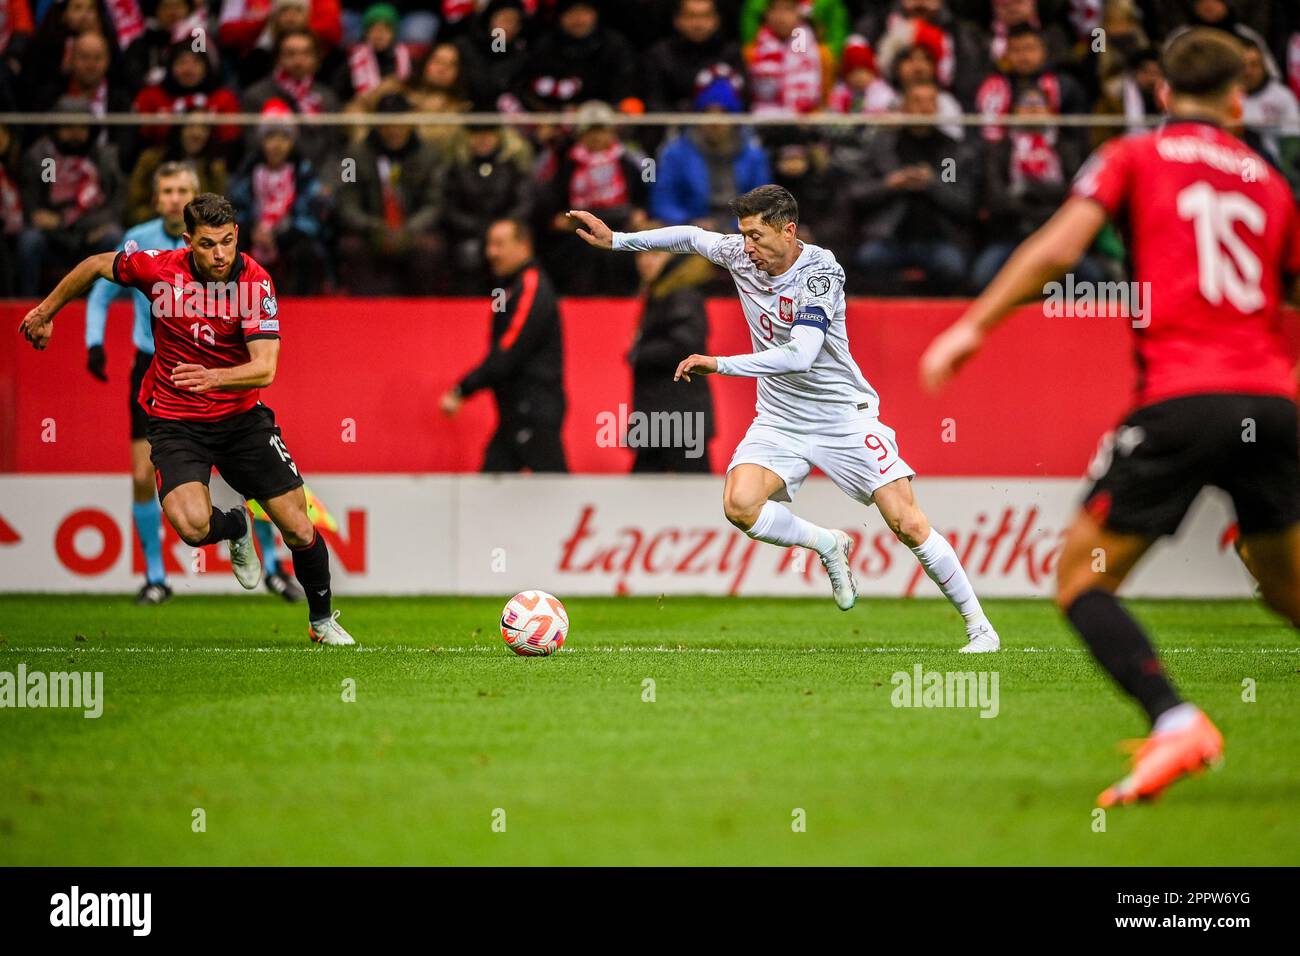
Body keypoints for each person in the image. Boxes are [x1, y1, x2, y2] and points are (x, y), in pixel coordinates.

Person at [919, 28, 1300, 805]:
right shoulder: (1271, 180)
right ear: (1238, 101)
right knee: (1290, 593)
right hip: (1273, 401)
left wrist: (974, 325)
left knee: (1080, 580)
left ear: (1162, 94)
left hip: (1182, 403)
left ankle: (1175, 719)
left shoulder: (1135, 156)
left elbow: (1061, 250)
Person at [571, 186, 1000, 651]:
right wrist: (617, 240)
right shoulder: (739, 254)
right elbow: (693, 239)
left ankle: (979, 626)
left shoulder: (820, 273)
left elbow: (800, 354)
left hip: (843, 419)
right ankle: (827, 543)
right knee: (740, 506)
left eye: (755, 236)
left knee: (907, 523)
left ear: (787, 230)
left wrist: (720, 364)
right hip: (780, 419)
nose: (746, 246)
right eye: (743, 235)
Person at [19, 193, 355, 645]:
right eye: (207, 244)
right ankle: (236, 525)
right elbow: (97, 264)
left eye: (226, 242)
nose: (219, 254)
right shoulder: (157, 269)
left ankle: (321, 622)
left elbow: (266, 368)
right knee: (192, 526)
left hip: (241, 421)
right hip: (177, 422)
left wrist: (213, 377)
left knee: (297, 526)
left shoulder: (255, 284)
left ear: (237, 236)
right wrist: (45, 312)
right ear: (187, 242)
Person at [83, 161, 196, 605]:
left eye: (182, 189)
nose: (174, 197)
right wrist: (95, 342)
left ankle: (269, 563)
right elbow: (101, 290)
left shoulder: (212, 244)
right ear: (155, 199)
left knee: (236, 468)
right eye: (167, 190)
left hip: (204, 367)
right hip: (151, 368)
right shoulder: (137, 240)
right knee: (141, 472)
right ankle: (156, 576)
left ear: (196, 195)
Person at [440, 219, 567, 473]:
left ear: (523, 246)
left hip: (532, 410)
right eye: (489, 245)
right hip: (515, 412)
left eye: (499, 245)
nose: (491, 253)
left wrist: (463, 388)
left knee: (555, 489)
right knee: (493, 486)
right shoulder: (512, 286)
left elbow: (509, 351)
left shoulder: (531, 286)